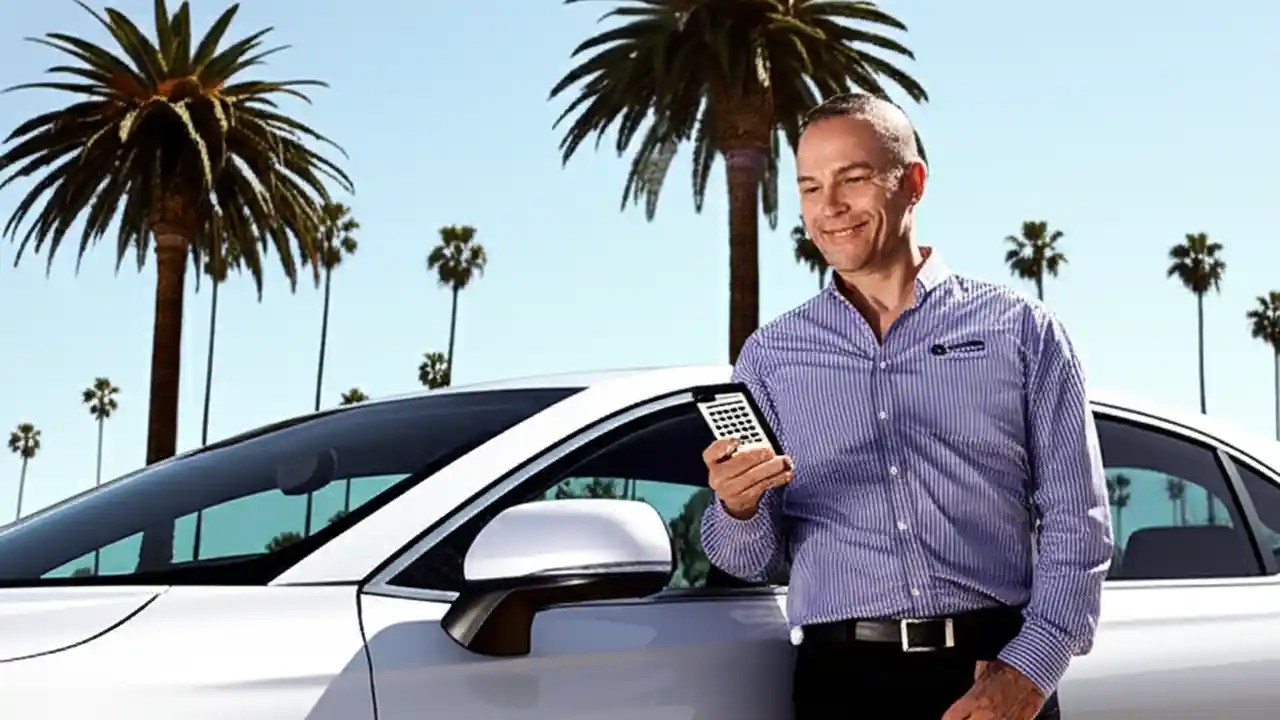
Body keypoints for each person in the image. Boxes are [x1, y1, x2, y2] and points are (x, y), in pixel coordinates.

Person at [698, 93, 1113, 720]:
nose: (829, 206)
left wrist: (1032, 670)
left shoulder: (1021, 330)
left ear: (912, 183)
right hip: (841, 687)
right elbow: (750, 560)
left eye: (853, 179)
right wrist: (737, 506)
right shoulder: (771, 355)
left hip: (993, 672)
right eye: (810, 187)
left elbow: (1077, 518)